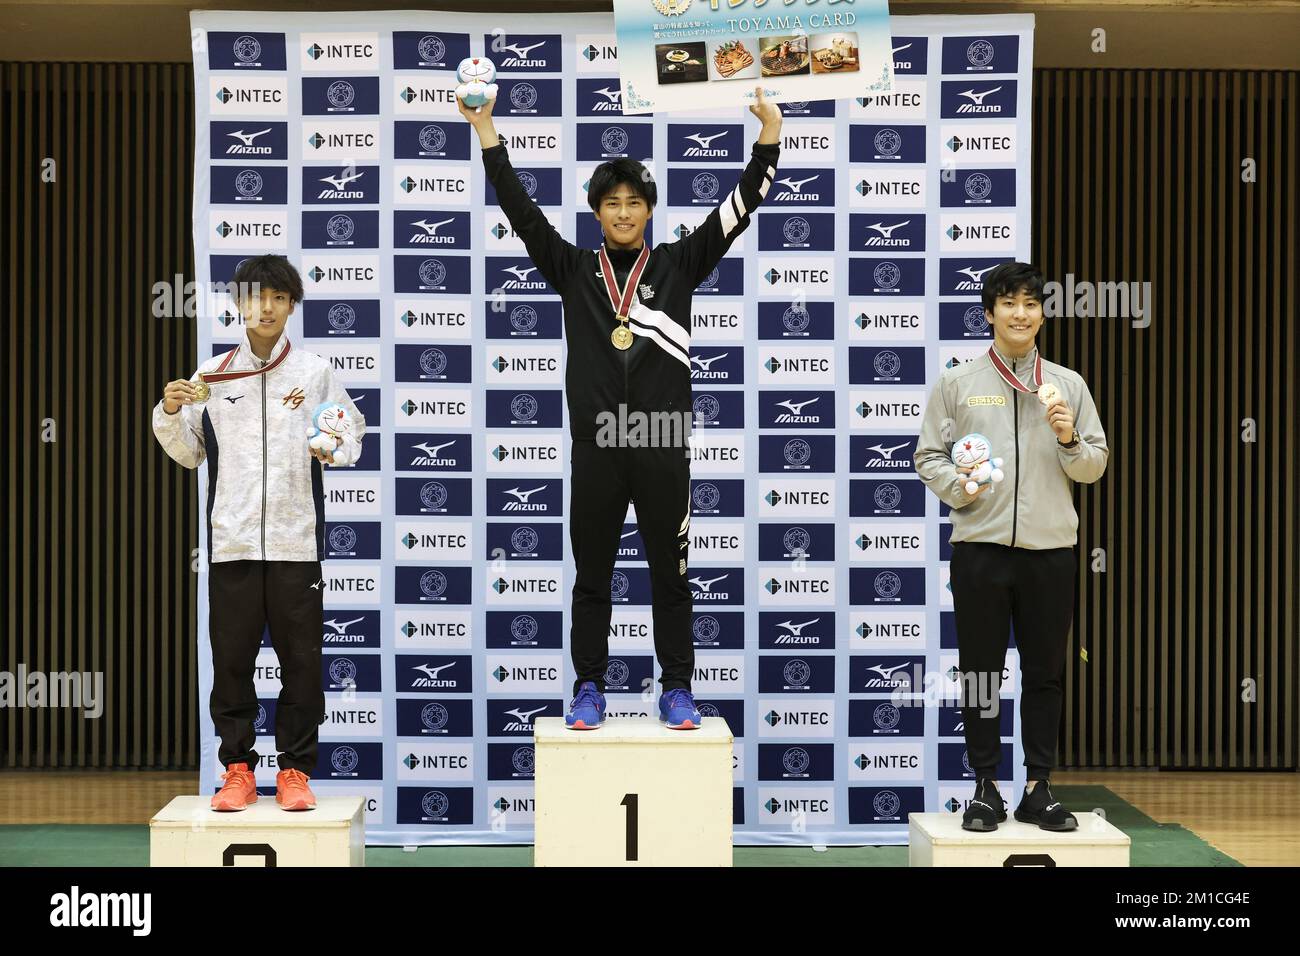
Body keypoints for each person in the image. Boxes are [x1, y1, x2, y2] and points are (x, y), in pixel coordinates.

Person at [460, 86, 782, 730]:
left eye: (635, 203)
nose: (624, 212)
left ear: (650, 212)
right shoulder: (574, 270)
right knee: (593, 574)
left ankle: (678, 687)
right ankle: (588, 685)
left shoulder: (681, 262)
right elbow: (521, 213)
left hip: (664, 442)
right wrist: (486, 131)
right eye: (613, 204)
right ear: (597, 213)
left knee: (671, 572)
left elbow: (738, 209)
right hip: (598, 444)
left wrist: (769, 135)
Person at [153, 255, 365, 810]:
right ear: (238, 305)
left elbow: (348, 438)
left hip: (297, 544)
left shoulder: (315, 372)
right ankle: (238, 770)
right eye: (254, 297)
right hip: (232, 544)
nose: (265, 307)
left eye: (276, 297)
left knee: (302, 663)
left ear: (292, 304)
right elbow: (189, 453)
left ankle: (295, 770)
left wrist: (333, 446)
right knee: (232, 662)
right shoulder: (212, 375)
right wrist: (170, 411)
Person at [913, 261, 1108, 831]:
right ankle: (985, 787)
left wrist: (1070, 437)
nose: (1020, 314)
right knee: (980, 671)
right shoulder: (959, 382)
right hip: (981, 548)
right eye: (1009, 304)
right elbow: (927, 455)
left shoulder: (1068, 385)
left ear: (1043, 313)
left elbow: (1095, 465)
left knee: (1046, 672)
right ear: (990, 313)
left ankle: (1039, 786)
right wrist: (962, 488)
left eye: (1030, 303)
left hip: (1051, 551)